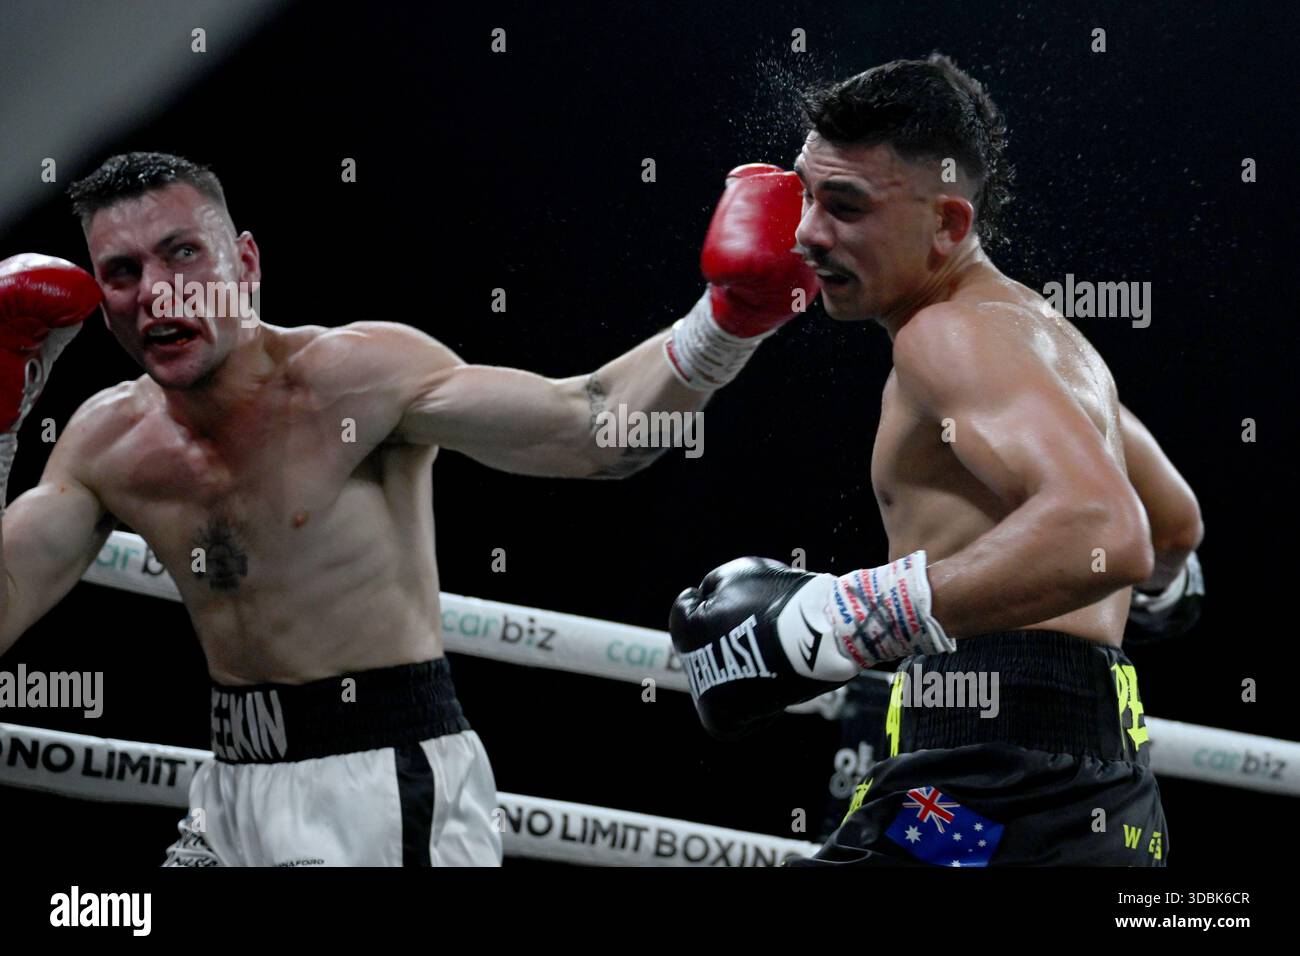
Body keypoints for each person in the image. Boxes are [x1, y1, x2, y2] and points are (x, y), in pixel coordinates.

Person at [0, 151, 814, 865]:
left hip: (384, 786)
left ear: (245, 262)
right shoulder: (108, 440)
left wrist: (728, 322)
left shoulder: (354, 378)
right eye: (123, 272)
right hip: (229, 791)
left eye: (184, 255)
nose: (159, 294)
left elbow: (594, 431)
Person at [669, 54, 1204, 866]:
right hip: (1090, 806)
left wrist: (844, 621)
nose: (808, 233)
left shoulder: (945, 335)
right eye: (807, 194)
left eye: (845, 206)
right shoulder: (1042, 339)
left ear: (948, 225)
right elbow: (1174, 531)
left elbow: (1109, 530)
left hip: (992, 792)